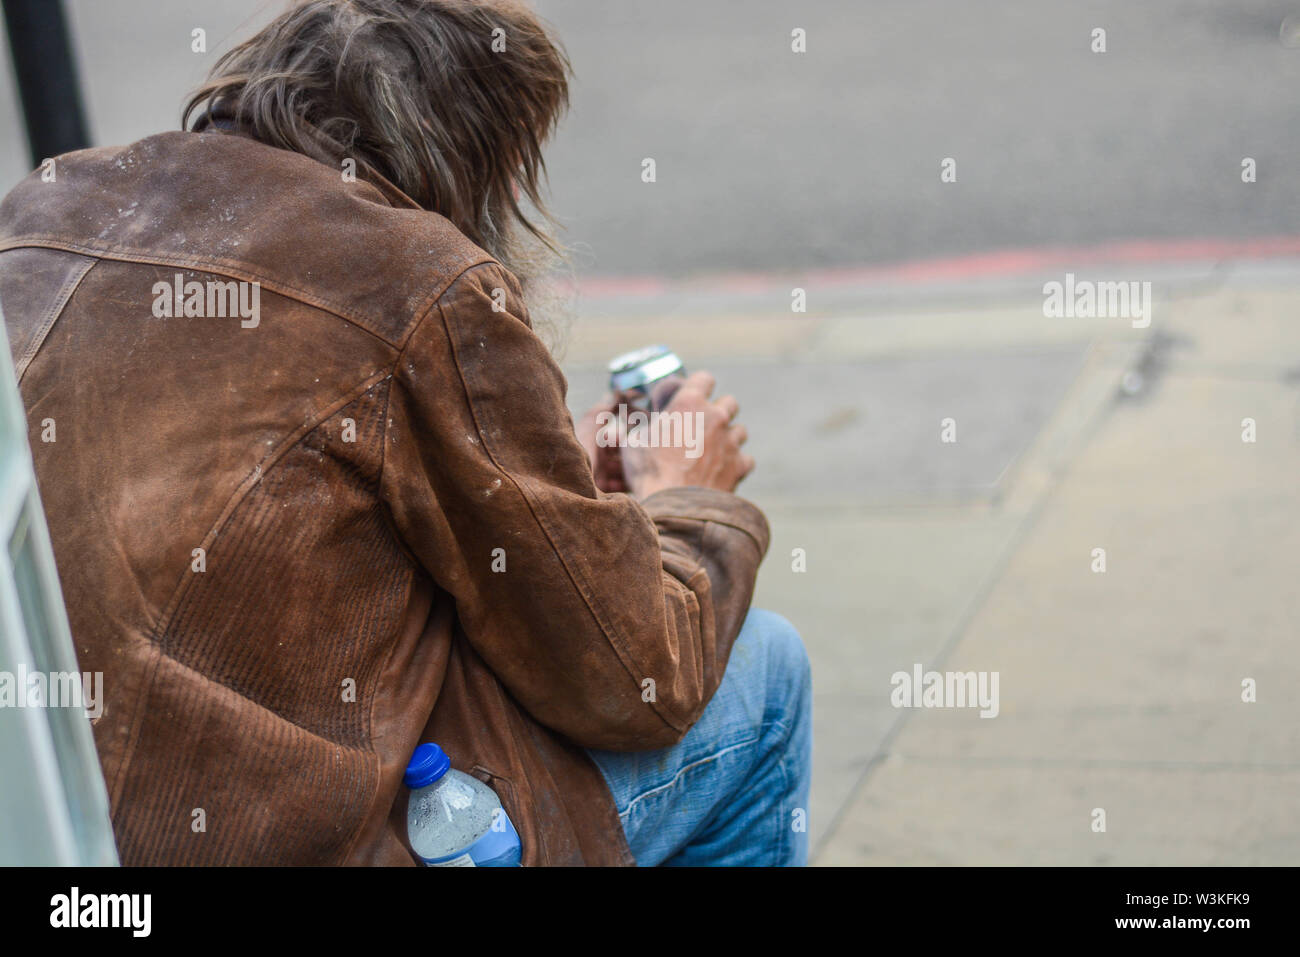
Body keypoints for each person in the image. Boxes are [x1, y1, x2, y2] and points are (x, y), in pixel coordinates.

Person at [0, 0, 810, 866]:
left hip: (54, 835)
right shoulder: (421, 278)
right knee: (764, 673)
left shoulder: (39, 211)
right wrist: (688, 500)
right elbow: (634, 680)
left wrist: (554, 481)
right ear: (480, 165)